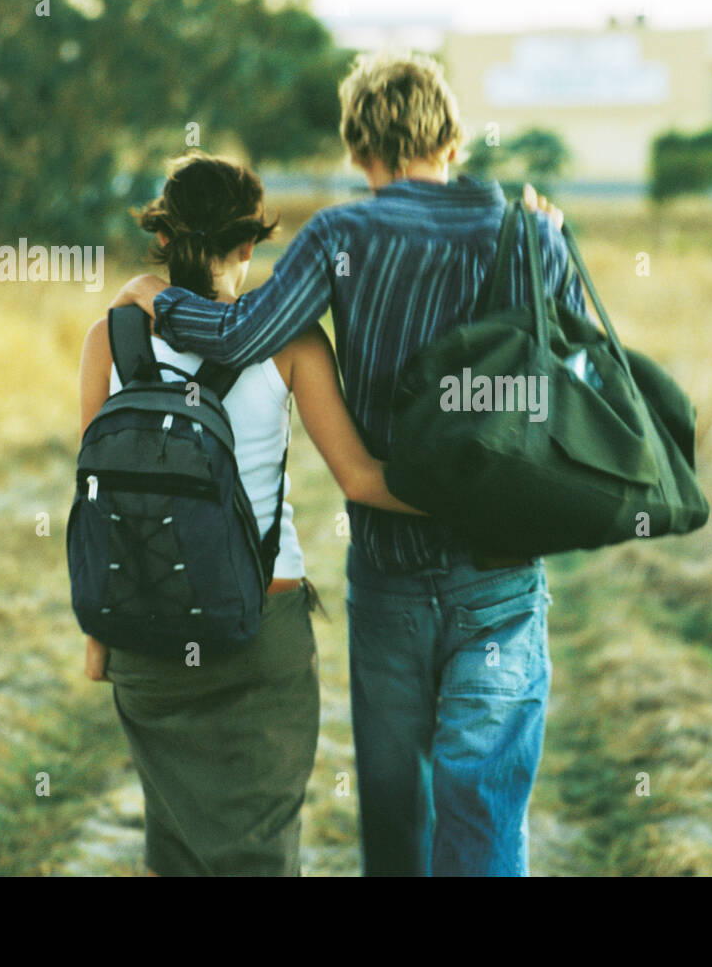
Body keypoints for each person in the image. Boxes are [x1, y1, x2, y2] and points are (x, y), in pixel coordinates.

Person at [112, 52, 583, 876]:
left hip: (393, 580)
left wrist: (156, 297)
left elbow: (237, 335)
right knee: (486, 816)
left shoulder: (341, 236)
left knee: (398, 824)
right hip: (502, 580)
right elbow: (577, 383)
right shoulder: (530, 230)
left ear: (359, 145)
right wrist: (554, 245)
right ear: (453, 136)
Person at [79, 151, 422, 876]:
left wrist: (98, 643)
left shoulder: (109, 337)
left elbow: (96, 493)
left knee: (175, 849)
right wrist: (468, 497)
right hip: (257, 638)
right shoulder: (289, 342)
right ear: (247, 245)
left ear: (163, 238)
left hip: (145, 642)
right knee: (259, 852)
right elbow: (360, 480)